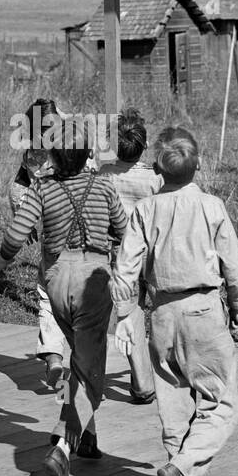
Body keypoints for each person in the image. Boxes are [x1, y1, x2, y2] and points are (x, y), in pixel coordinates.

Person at [111, 126, 238, 476]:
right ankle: (184, 468)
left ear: (157, 169)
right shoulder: (212, 206)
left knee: (172, 403)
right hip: (204, 311)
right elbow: (235, 271)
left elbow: (125, 271)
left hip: (162, 316)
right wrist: (237, 306)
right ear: (200, 164)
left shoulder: (144, 210)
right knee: (220, 405)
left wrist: (124, 316)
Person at [0, 140, 126, 476]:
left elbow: (16, 234)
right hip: (93, 280)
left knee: (80, 363)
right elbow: (125, 230)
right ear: (87, 156)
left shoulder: (41, 188)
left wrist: (0, 265)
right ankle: (64, 448)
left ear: (53, 156)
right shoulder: (103, 186)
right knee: (91, 371)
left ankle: (88, 437)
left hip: (56, 280)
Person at [96, 107, 161, 404]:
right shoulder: (154, 180)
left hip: (118, 253)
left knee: (130, 312)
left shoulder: (104, 175)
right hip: (152, 254)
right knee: (156, 312)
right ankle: (155, 377)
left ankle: (142, 380)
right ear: (145, 145)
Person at [8, 98, 68, 391]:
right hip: (78, 231)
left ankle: (54, 356)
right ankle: (78, 359)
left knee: (48, 297)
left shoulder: (33, 152)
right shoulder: (72, 143)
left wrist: (23, 214)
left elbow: (18, 185)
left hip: (51, 234)